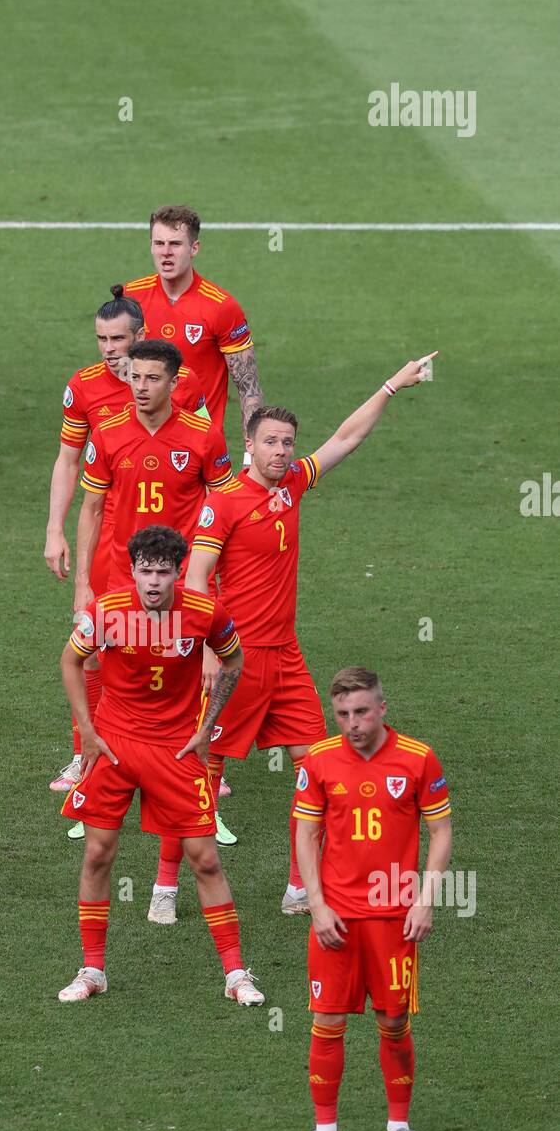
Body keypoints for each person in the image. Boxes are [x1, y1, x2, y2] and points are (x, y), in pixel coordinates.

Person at [185, 352, 438, 913]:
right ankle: (168, 882)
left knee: (316, 767)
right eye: (271, 441)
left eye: (287, 443)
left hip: (287, 658)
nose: (281, 451)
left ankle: (300, 885)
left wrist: (392, 383)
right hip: (235, 658)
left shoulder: (294, 483)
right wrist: (207, 648)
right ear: (248, 445)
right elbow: (197, 577)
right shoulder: (222, 503)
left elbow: (347, 437)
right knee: (201, 766)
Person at [58, 525, 263, 1006]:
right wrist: (86, 732)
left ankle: (236, 975)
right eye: (145, 572)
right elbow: (70, 662)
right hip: (115, 745)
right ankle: (92, 969)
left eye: (163, 572)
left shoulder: (205, 613)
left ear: (177, 573)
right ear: (132, 571)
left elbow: (234, 663)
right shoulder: (105, 611)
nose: (153, 582)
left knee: (206, 859)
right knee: (97, 855)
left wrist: (207, 725)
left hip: (176, 749)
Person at [75, 337, 239, 863]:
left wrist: (215, 587)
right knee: (108, 673)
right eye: (134, 377)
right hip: (124, 582)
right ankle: (95, 787)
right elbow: (93, 507)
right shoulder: (108, 431)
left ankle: (200, 801)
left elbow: (226, 510)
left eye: (150, 378)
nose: (140, 387)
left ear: (174, 381)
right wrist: (83, 581)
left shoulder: (203, 436)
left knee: (190, 679)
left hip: (184, 584)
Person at [44, 286, 207, 799]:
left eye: (118, 339)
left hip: (175, 545)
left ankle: (189, 751)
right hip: (116, 544)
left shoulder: (180, 385)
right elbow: (69, 461)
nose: (109, 349)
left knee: (185, 645)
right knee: (94, 652)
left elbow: (201, 460)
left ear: (141, 338)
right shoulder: (85, 387)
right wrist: (55, 529)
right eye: (101, 339)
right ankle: (85, 753)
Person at [285, 667, 452, 1131]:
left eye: (361, 711)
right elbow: (305, 836)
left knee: (394, 1021)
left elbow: (440, 831)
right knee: (326, 1020)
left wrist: (425, 899)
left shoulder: (418, 759)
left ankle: (398, 1126)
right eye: (341, 714)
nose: (352, 723)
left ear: (382, 708)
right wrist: (316, 905)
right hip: (335, 917)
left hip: (393, 916)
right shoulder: (317, 761)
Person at [123, 205, 263, 445]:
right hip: (138, 445)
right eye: (159, 243)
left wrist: (253, 454)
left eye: (175, 244)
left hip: (198, 449)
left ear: (194, 248)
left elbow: (248, 386)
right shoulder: (130, 298)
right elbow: (116, 371)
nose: (166, 252)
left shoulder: (221, 306)